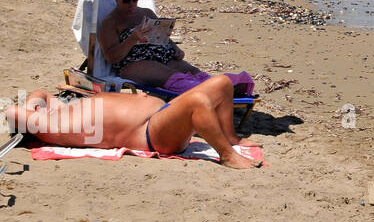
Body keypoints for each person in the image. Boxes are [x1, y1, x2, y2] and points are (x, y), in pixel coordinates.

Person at [5, 78, 261, 169]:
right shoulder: (57, 127)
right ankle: (227, 155)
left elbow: (42, 92)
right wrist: (31, 113)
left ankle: (231, 139)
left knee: (223, 84)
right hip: (151, 133)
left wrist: (37, 102)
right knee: (197, 101)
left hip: (160, 113)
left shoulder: (62, 109)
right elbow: (12, 113)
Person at [96, 0, 253, 95]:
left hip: (162, 57)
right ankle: (211, 92)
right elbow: (112, 57)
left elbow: (162, 37)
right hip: (133, 65)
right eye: (126, 0)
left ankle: (220, 86)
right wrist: (132, 39)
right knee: (176, 78)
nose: (131, 4)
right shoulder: (110, 23)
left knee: (194, 73)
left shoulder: (146, 13)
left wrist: (174, 47)